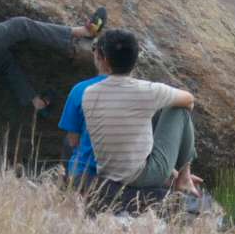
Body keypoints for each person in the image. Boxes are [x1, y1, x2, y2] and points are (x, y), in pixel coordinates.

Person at [81, 28, 202, 195]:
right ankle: (184, 176)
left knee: (148, 114)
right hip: (139, 176)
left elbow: (126, 138)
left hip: (108, 172)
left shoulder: (89, 93)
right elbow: (189, 99)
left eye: (95, 51)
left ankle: (178, 176)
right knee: (178, 110)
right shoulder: (147, 91)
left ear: (104, 60)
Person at [59, 72, 107, 187]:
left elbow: (73, 141)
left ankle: (62, 190)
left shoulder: (81, 89)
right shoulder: (141, 93)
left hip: (84, 174)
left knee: (68, 142)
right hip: (125, 176)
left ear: (99, 57)